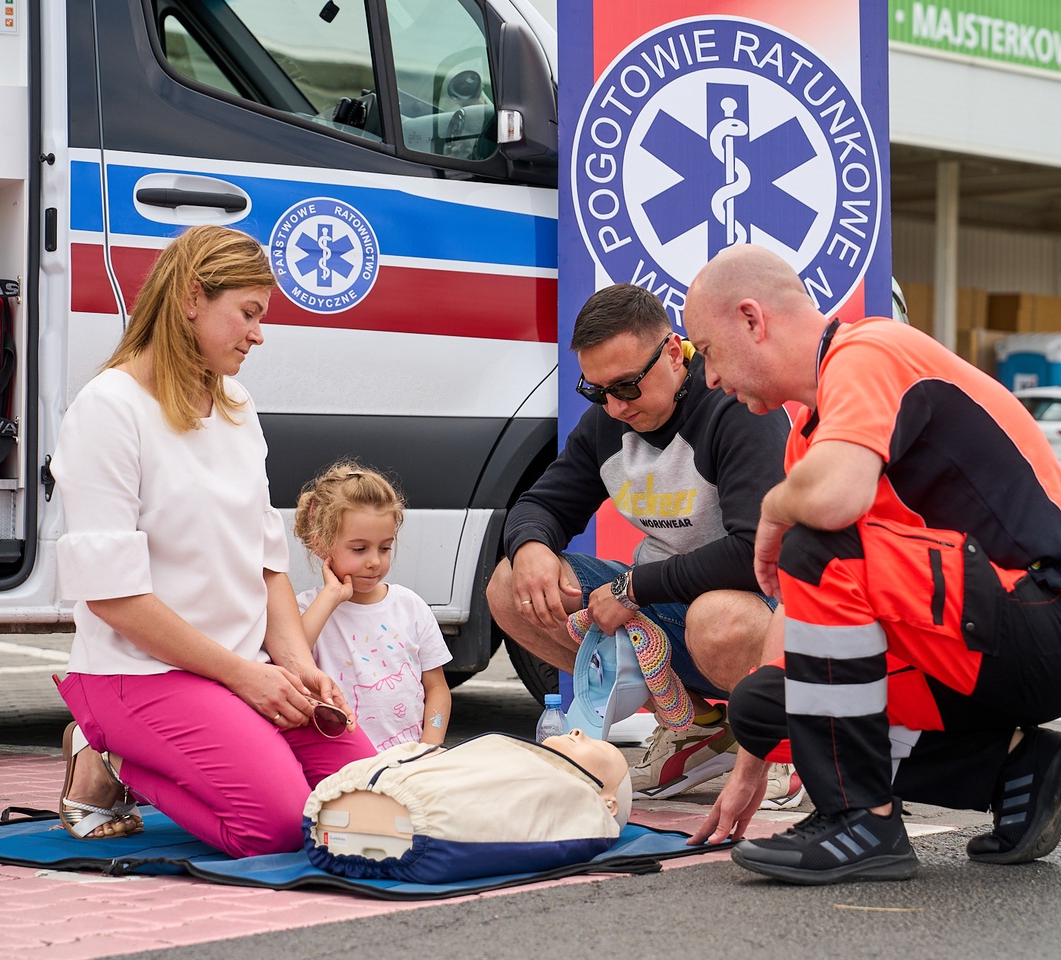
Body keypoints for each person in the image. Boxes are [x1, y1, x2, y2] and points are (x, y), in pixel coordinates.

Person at [682, 245, 1061, 884]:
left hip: (1055, 622)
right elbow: (804, 619)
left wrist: (778, 509)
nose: (710, 379)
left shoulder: (870, 352)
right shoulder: (811, 431)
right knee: (765, 704)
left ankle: (861, 821)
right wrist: (752, 769)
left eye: (708, 351)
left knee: (817, 538)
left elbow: (833, 507)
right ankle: (1018, 769)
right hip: (973, 636)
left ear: (752, 319)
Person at [51, 224, 375, 858]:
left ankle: (203, 747)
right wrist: (246, 679)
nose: (259, 333)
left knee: (365, 802)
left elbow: (268, 566)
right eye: (248, 313)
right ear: (192, 298)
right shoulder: (107, 409)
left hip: (237, 670)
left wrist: (299, 670)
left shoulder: (235, 403)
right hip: (137, 673)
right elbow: (114, 599)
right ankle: (107, 757)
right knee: (277, 828)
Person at [486, 282, 799, 804]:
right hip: (664, 599)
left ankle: (784, 736)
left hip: (760, 605)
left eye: (627, 386)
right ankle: (694, 725)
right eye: (596, 390)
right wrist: (531, 547)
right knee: (507, 587)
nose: (614, 406)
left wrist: (633, 588)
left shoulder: (735, 406)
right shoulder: (608, 422)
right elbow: (538, 506)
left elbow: (756, 554)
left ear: (674, 353)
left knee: (718, 619)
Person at [303, 729, 632, 883]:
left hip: (420, 822)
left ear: (608, 803)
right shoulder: (508, 753)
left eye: (599, 747)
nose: (579, 732)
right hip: (397, 799)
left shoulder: (581, 801)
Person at [293, 459, 453, 750]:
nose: (374, 561)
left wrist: (429, 747)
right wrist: (330, 597)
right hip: (338, 766)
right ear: (320, 543)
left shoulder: (410, 607)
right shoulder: (306, 609)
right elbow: (291, 660)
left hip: (407, 764)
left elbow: (437, 688)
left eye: (385, 547)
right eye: (359, 548)